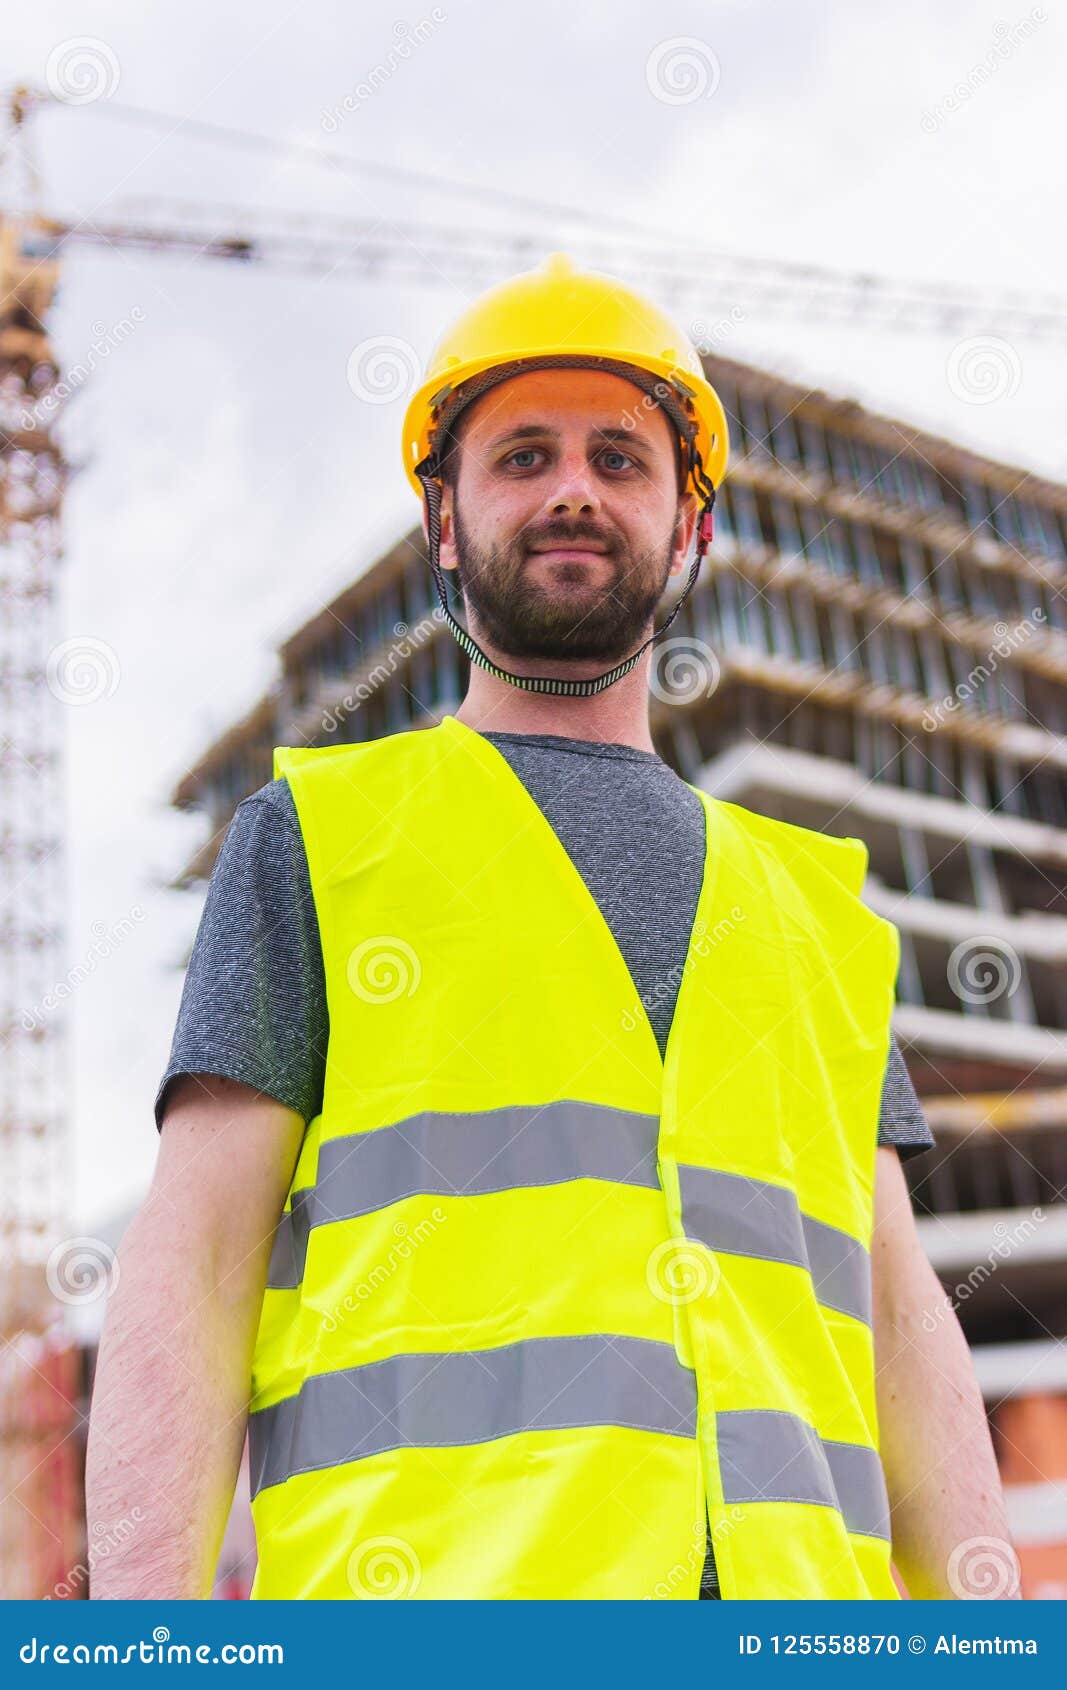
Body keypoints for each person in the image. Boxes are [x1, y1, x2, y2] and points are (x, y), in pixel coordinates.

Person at [86, 253, 1017, 1601]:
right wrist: (143, 1643)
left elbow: (899, 1316)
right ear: (445, 526)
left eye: (621, 460)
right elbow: (196, 1261)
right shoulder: (322, 838)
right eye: (523, 455)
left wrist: (986, 1627)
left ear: (690, 531)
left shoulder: (815, 905)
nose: (574, 487)